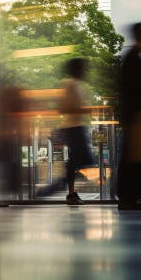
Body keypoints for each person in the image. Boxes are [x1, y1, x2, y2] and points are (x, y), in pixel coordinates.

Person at [117, 23, 141, 210]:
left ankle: (129, 198)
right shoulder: (134, 59)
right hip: (135, 116)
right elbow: (138, 90)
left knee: (132, 158)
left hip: (132, 116)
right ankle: (129, 198)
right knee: (132, 159)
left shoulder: (132, 57)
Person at [59, 58, 93, 206]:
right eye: (82, 68)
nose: (84, 72)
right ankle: (67, 191)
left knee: (79, 160)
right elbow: (65, 107)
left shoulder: (75, 84)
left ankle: (70, 192)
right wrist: (86, 109)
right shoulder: (70, 84)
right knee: (80, 159)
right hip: (73, 127)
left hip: (76, 126)